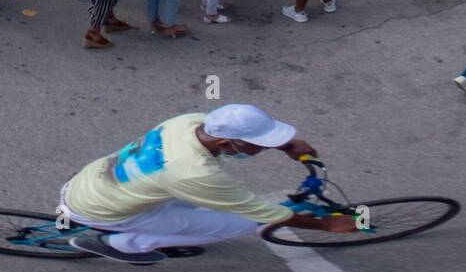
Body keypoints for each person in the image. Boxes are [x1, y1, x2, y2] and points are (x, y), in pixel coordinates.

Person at [54, 104, 355, 263]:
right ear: (225, 142)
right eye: (260, 145)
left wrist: (286, 145)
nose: (263, 148)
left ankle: (141, 233)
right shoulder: (195, 173)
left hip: (95, 181)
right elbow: (263, 213)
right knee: (244, 223)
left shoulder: (191, 122)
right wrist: (329, 226)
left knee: (194, 205)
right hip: (104, 209)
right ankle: (124, 245)